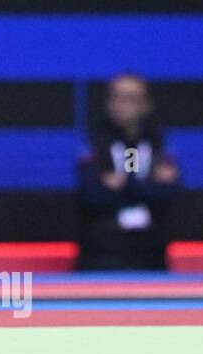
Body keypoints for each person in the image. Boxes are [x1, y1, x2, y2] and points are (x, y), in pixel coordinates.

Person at [76, 73, 181, 270]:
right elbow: (92, 195)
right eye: (116, 97)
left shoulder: (160, 145)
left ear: (146, 104)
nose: (122, 105)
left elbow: (168, 195)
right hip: (100, 255)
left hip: (150, 255)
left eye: (131, 98)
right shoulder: (93, 143)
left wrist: (123, 184)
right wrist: (145, 185)